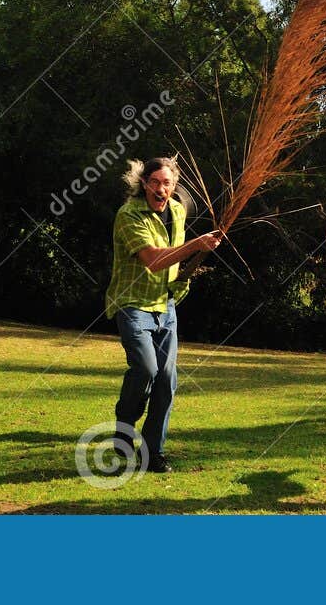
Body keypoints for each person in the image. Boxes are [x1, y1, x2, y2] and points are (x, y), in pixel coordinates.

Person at [103, 156, 223, 473]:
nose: (161, 189)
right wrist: (197, 245)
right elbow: (154, 260)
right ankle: (124, 431)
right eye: (155, 182)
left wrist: (192, 265)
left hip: (166, 306)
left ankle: (153, 452)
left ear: (174, 186)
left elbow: (173, 264)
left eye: (167, 183)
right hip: (132, 304)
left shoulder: (178, 212)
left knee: (166, 379)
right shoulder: (128, 215)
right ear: (143, 183)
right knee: (145, 368)